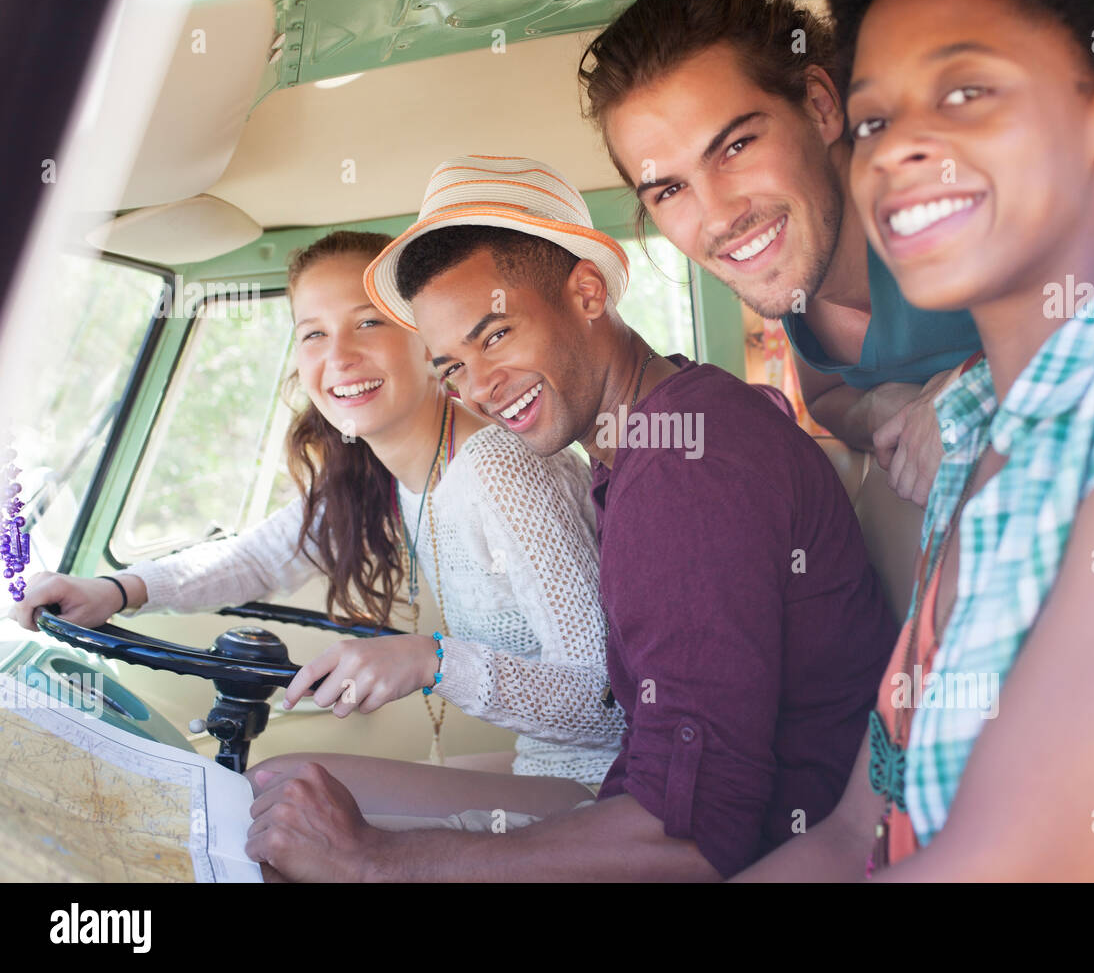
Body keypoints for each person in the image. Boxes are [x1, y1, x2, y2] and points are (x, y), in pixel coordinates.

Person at [738, 0, 1094, 882]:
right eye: (875, 120)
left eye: (968, 92)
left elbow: (1005, 865)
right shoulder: (959, 447)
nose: (902, 146)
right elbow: (854, 839)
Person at [242, 154, 896, 881]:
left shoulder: (686, 473)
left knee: (291, 853)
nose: (481, 389)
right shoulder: (648, 441)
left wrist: (378, 861)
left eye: (496, 335)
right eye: (452, 366)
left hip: (758, 847)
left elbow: (693, 837)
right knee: (279, 804)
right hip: (660, 802)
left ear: (587, 292)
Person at [580, 0, 1094, 506]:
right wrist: (895, 409)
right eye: (668, 189)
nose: (719, 215)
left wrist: (975, 384)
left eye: (736, 144)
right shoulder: (793, 271)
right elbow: (832, 392)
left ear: (823, 106)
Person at [12, 230, 624, 823]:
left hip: (618, 783)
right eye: (313, 333)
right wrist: (116, 590)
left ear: (427, 338)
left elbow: (606, 704)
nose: (339, 357)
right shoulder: (388, 472)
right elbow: (255, 559)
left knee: (278, 794)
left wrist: (431, 660)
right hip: (543, 763)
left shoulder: (499, 468)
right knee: (272, 790)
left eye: (368, 322)